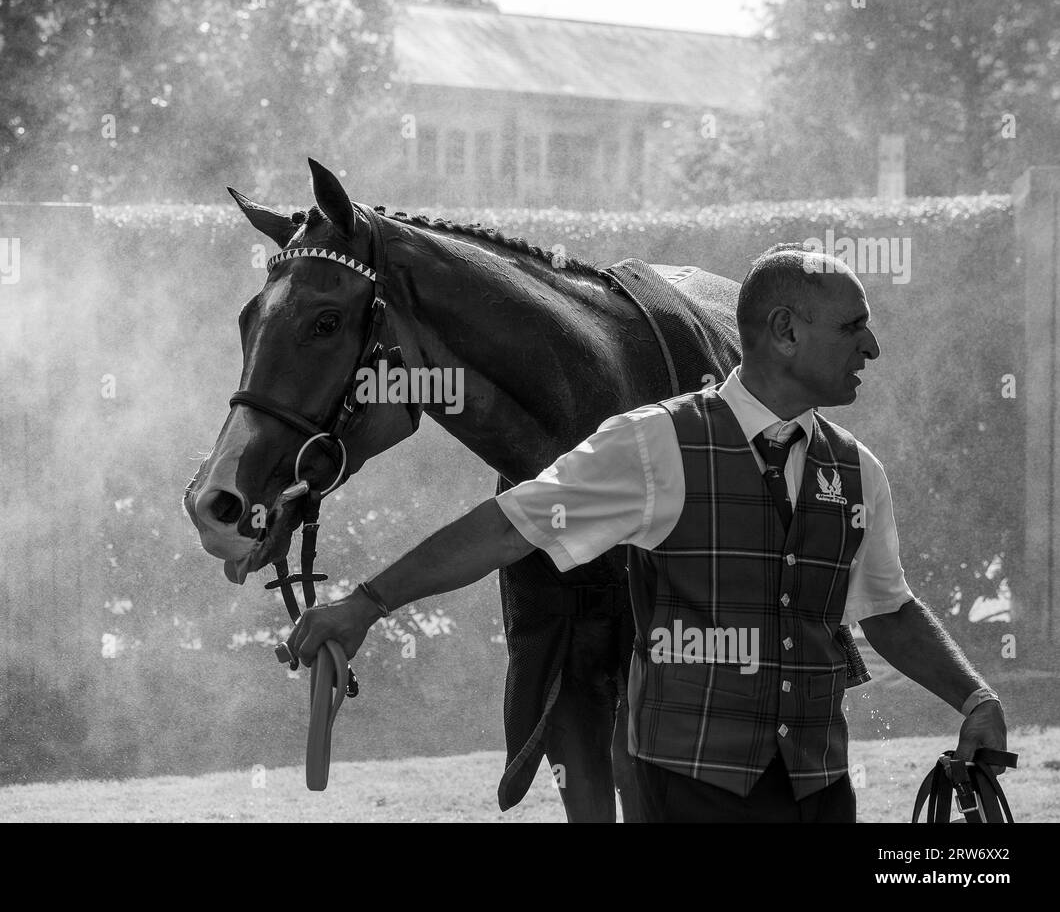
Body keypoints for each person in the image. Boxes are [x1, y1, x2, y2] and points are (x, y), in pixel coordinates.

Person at [285, 243, 1007, 822]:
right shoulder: (654, 445)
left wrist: (975, 698)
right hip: (690, 791)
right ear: (786, 332)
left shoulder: (856, 470)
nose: (874, 346)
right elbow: (512, 526)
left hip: (820, 793)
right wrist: (367, 603)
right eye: (854, 327)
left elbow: (887, 607)